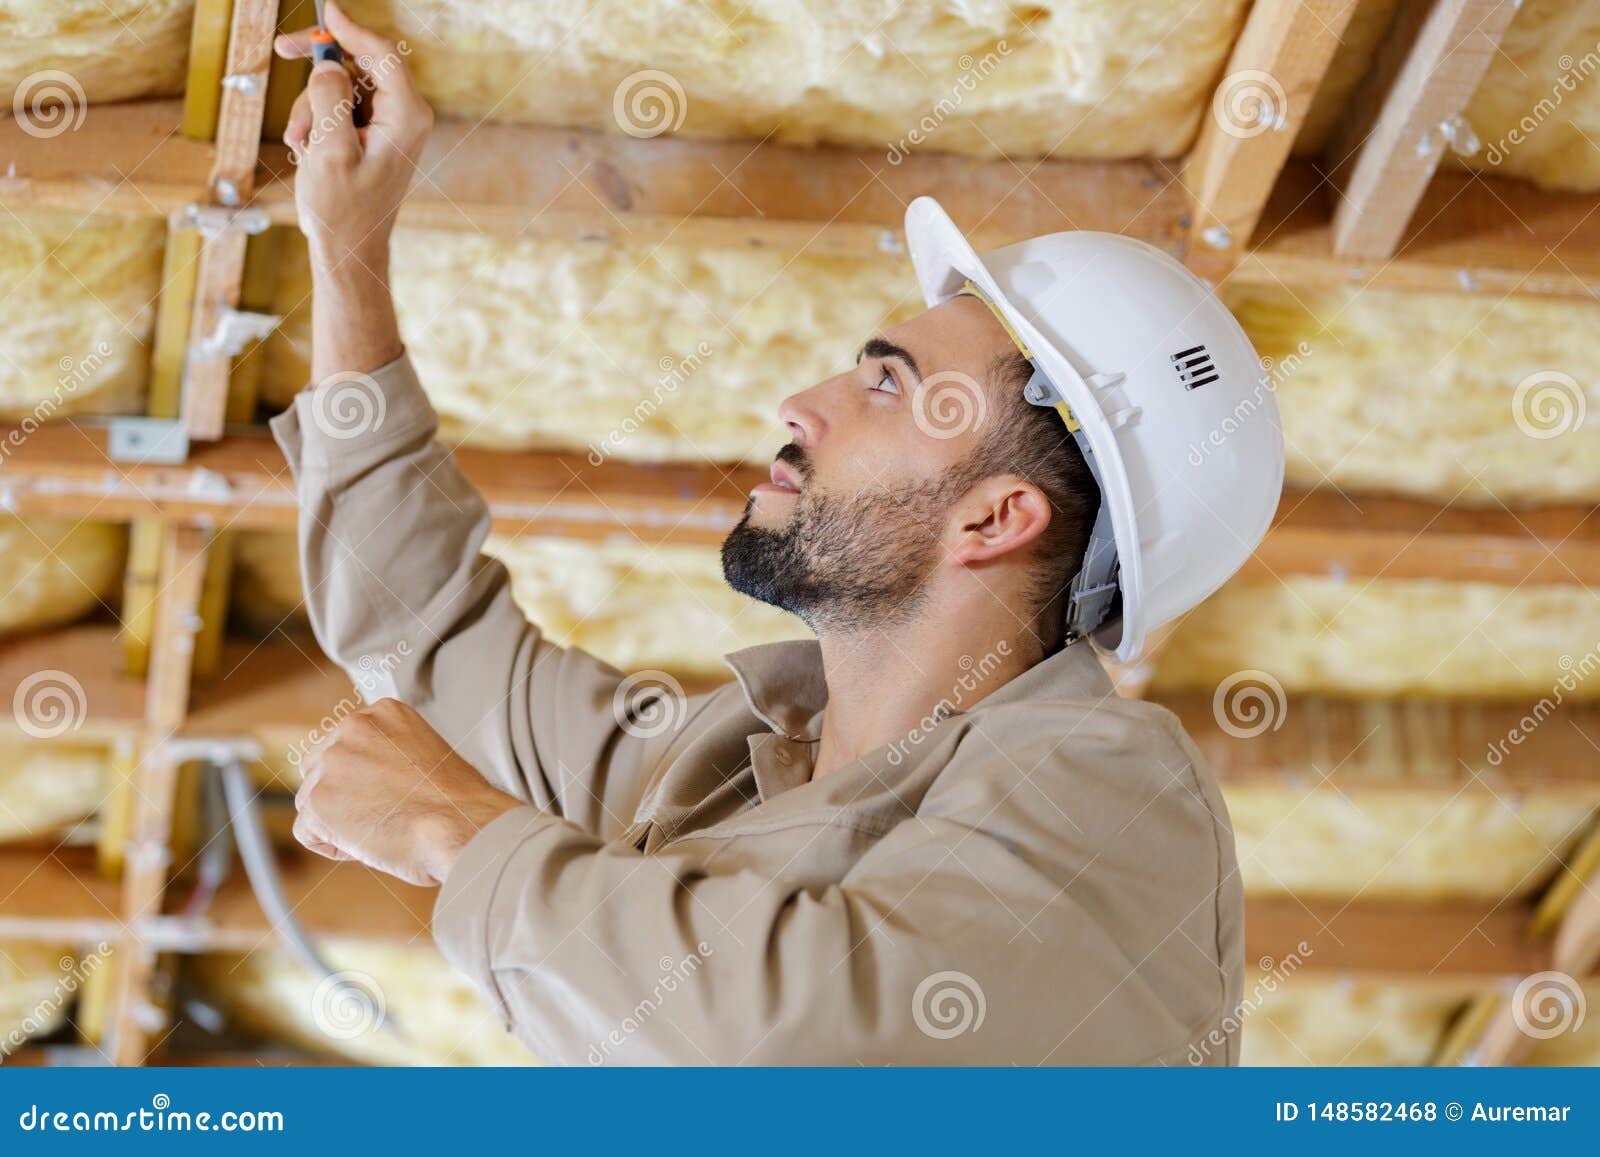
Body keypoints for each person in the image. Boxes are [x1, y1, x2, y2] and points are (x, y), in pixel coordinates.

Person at [274, 2, 1283, 1065]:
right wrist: (348, 250)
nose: (800, 405)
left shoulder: (1112, 787)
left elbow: (807, 1046)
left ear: (994, 517)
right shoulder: (716, 766)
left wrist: (455, 827)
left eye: (887, 384)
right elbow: (426, 636)